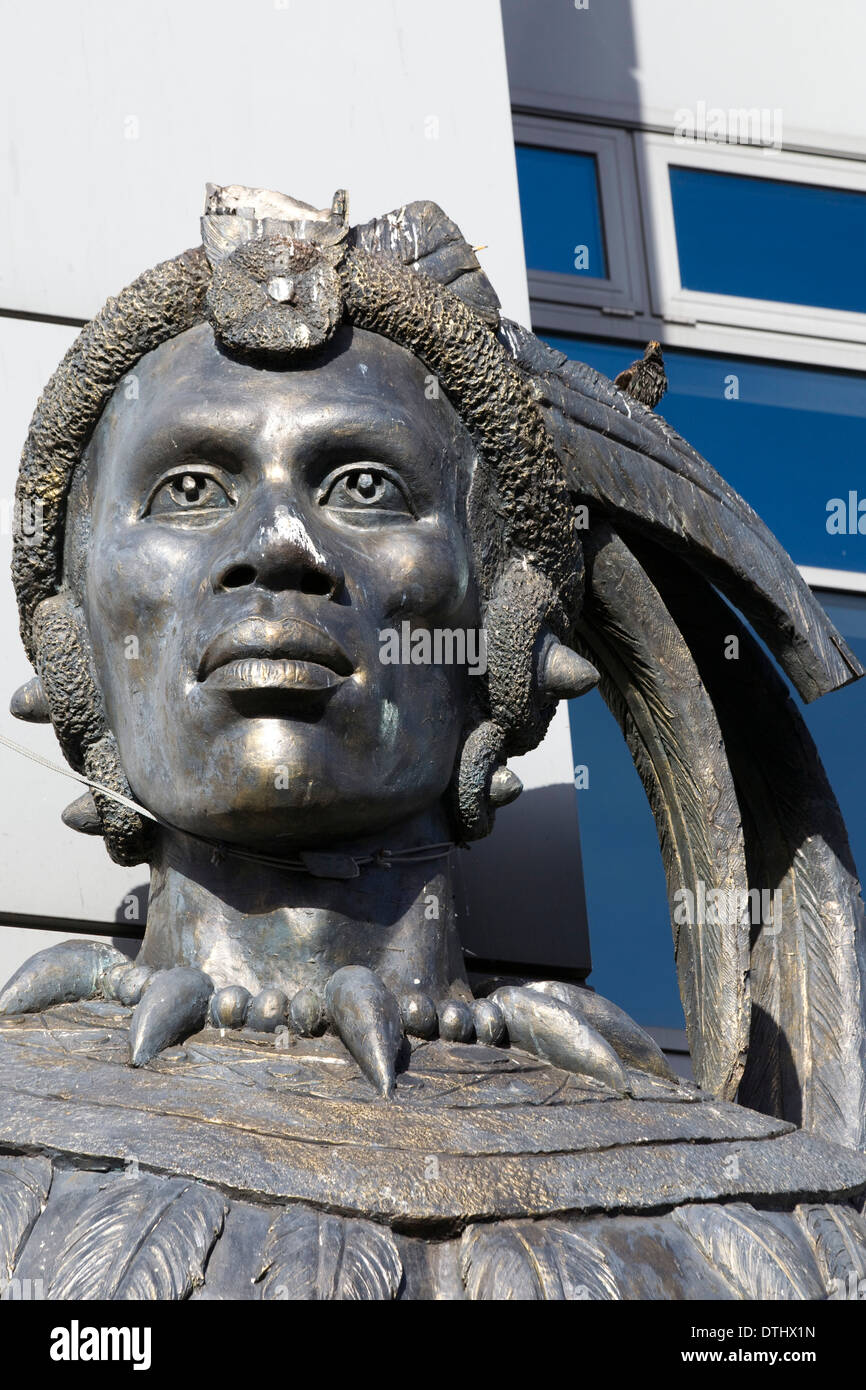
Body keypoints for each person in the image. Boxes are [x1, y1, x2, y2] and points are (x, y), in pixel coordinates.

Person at [0, 186, 864, 1301]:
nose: (276, 546)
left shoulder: (787, 1243)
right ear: (78, 649)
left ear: (504, 634)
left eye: (363, 487)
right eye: (188, 489)